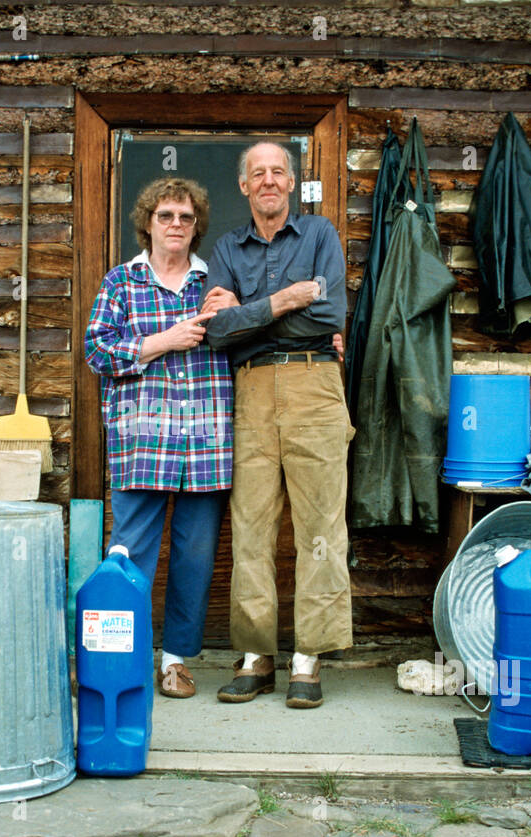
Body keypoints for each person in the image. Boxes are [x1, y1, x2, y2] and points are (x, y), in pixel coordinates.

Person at [201, 141, 353, 709]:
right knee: (252, 527)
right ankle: (256, 657)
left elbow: (330, 314)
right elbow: (216, 332)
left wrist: (249, 312)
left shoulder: (320, 235)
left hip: (316, 387)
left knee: (320, 527)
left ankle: (308, 659)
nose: (267, 181)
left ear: (292, 183)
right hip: (253, 392)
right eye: (256, 174)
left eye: (277, 173)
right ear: (243, 187)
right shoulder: (225, 247)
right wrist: (287, 299)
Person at [84, 177, 231, 700]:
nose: (176, 225)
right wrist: (160, 342)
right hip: (140, 443)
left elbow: (250, 339)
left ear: (196, 228)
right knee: (130, 555)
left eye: (186, 218)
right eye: (166, 215)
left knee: (193, 559)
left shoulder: (216, 283)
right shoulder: (122, 282)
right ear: (147, 221)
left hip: (207, 445)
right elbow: (97, 352)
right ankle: (119, 661)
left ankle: (175, 662)